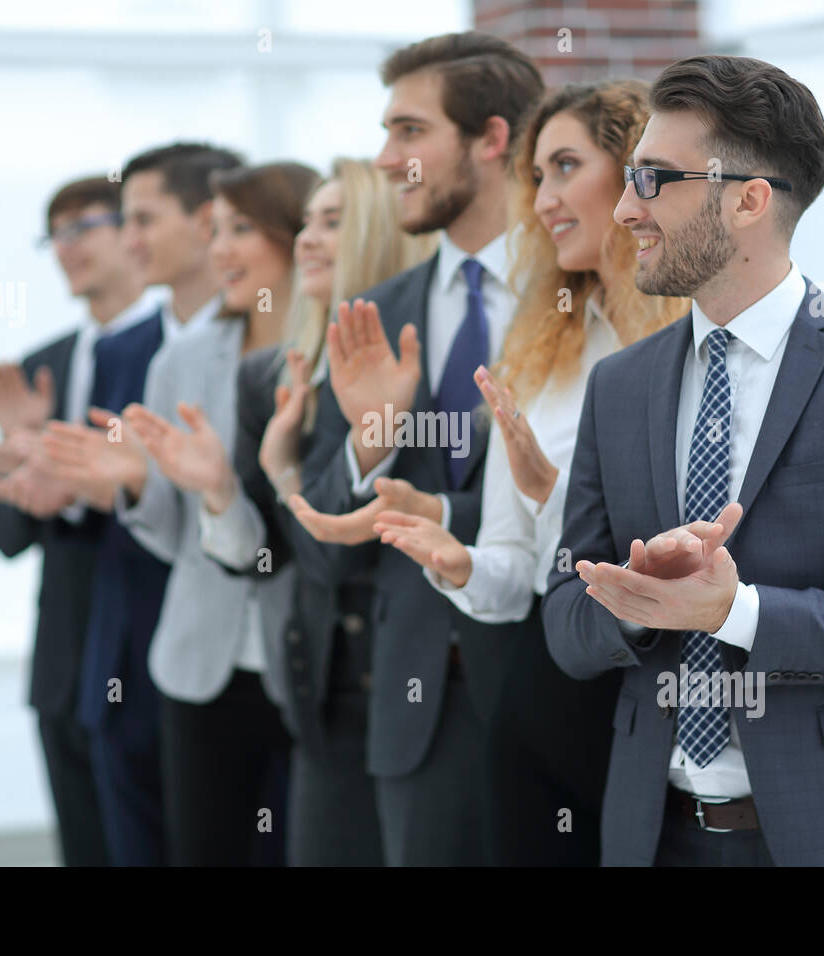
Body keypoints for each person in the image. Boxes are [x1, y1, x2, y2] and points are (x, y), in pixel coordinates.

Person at [542, 54, 824, 866]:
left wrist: (733, 611)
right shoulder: (620, 386)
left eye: (653, 179)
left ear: (748, 199)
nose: (628, 210)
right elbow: (566, 622)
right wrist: (638, 601)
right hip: (650, 835)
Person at [371, 81, 688, 865]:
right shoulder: (544, 351)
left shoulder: (696, 345)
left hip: (646, 703)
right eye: (536, 176)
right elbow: (516, 576)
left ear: (637, 172)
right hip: (537, 704)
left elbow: (689, 548)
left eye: (567, 166)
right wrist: (460, 564)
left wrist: (555, 498)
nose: (544, 199)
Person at [126, 159, 433, 865]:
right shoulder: (268, 377)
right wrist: (224, 486)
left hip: (367, 680)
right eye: (309, 224)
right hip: (282, 672)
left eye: (331, 223)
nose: (309, 241)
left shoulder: (416, 363)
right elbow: (274, 547)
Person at [286, 31, 544, 866]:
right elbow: (323, 549)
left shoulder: (582, 298)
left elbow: (603, 506)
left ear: (492, 139)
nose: (387, 157)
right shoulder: (372, 313)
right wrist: (373, 443)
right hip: (414, 706)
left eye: (409, 131)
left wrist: (443, 514)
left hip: (566, 696)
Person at [106, 161, 320, 865]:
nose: (220, 249)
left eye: (240, 229)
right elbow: (172, 539)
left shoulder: (333, 353)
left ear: (296, 236)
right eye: (214, 231)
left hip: (312, 658)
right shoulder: (185, 359)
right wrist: (139, 485)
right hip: (203, 661)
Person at [40, 142, 244, 866]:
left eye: (143, 220)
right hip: (132, 655)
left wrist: (132, 487)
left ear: (207, 220)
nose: (128, 241)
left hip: (231, 666)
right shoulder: (144, 359)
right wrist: (105, 489)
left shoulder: (258, 345)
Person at [0, 174, 158, 866]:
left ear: (134, 232)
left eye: (85, 227)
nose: (67, 248)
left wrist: (72, 478)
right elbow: (10, 540)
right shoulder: (41, 365)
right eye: (57, 234)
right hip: (64, 655)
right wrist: (16, 466)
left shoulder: (173, 353)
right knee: (83, 845)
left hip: (146, 652)